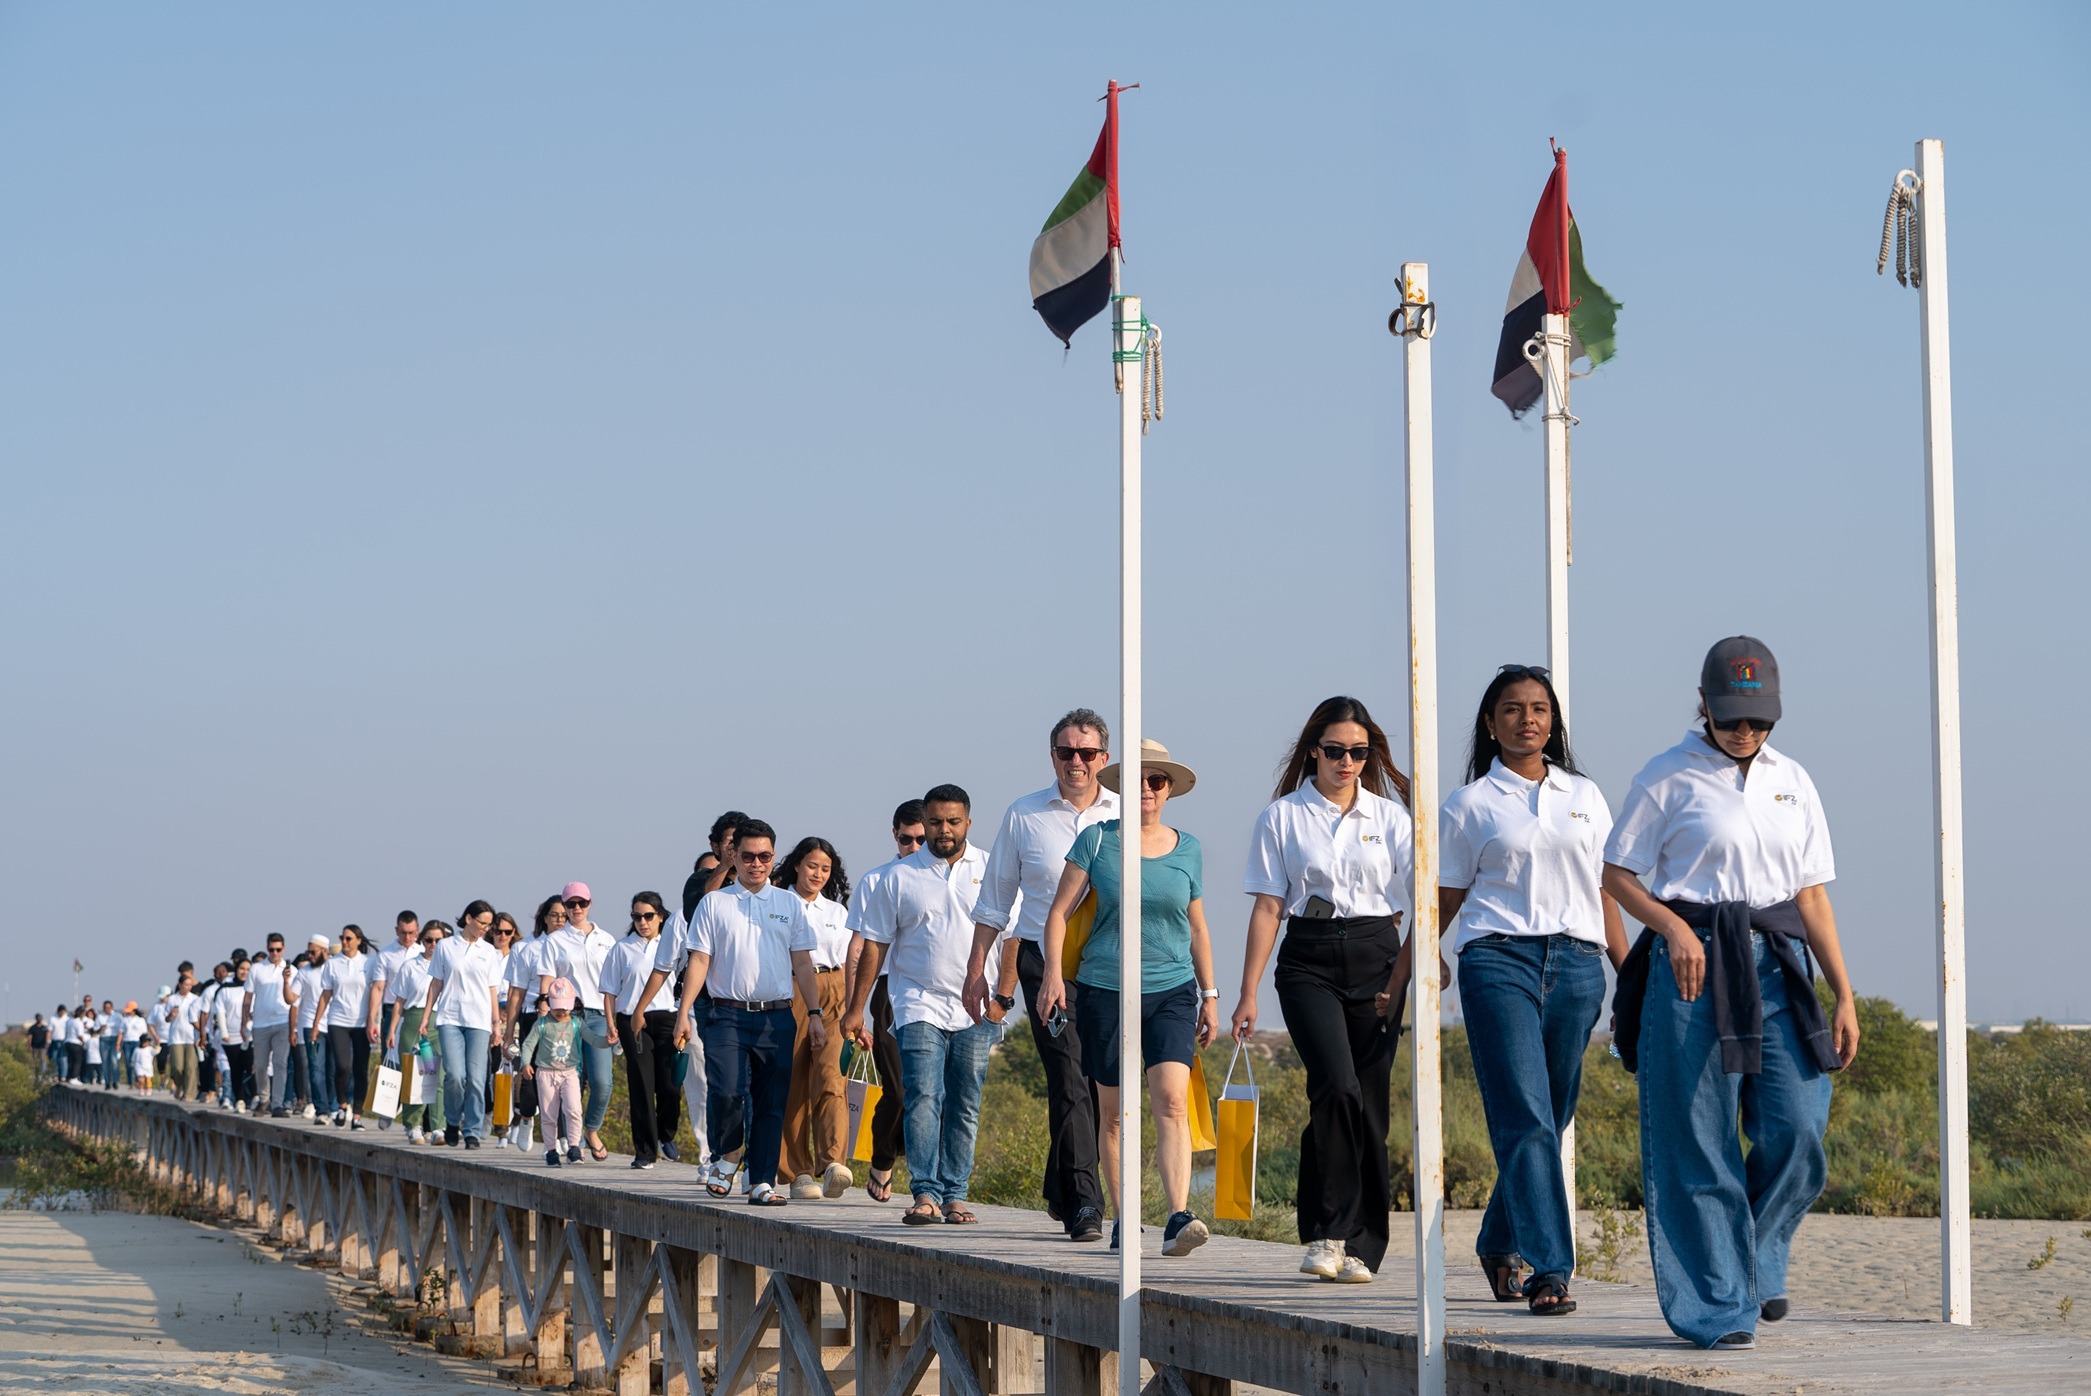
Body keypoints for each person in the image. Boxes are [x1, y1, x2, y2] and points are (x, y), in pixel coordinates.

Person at [1601, 637, 1861, 1351]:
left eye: (1757, 720)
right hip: (1690, 968)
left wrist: (1842, 991)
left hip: (1778, 966)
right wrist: (1670, 928)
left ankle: (1755, 1256)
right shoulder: (1666, 776)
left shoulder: (1792, 780)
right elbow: (1616, 875)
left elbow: (1810, 894)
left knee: (1797, 1127)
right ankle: (1718, 1306)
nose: (1744, 732)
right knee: (1695, 1141)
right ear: (1703, 705)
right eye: (1729, 718)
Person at [1391, 665, 1627, 1314]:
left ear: (1552, 722)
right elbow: (1441, 897)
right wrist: (1421, 960)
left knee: (1548, 1118)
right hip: (1499, 963)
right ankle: (1549, 1269)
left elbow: (1605, 888)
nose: (1527, 719)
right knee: (1524, 1116)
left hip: (1578, 967)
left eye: (1539, 709)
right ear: (1490, 724)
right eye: (1512, 709)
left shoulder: (1584, 794)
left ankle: (1497, 1240)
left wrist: (1627, 966)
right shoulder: (1468, 805)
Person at [1233, 695, 1414, 1285]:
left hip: (1377, 956)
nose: (1346, 762)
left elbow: (1426, 898)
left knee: (1370, 1103)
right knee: (1335, 1087)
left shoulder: (1390, 819)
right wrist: (1248, 993)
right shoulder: (1282, 817)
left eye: (1358, 753)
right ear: (1315, 749)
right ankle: (1326, 1233)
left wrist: (1415, 964)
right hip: (1307, 958)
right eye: (1335, 750)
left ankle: (1365, 1242)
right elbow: (1267, 907)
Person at [1037, 739, 1221, 1257]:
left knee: (1171, 1102)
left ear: (1168, 790)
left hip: (1173, 989)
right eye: (1137, 777)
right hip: (1105, 989)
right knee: (1114, 1114)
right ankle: (1125, 1218)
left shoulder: (1189, 848)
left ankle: (1177, 1215)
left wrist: (1210, 994)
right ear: (1119, 783)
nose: (1146, 788)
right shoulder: (1097, 840)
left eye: (1156, 780)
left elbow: (1198, 925)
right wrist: (1053, 975)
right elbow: (1058, 914)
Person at [964, 710, 1117, 1242]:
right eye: (1065, 751)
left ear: (1104, 757)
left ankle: (1059, 1183)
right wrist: (977, 972)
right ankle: (1084, 1204)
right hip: (1044, 963)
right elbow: (995, 901)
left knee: (1105, 1083)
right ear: (1051, 754)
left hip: (1111, 963)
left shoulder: (1125, 811)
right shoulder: (1025, 814)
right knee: (1070, 1075)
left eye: (1087, 752)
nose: (1076, 762)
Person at [844, 785, 1001, 1227]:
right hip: (916, 1001)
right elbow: (874, 946)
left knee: (965, 1100)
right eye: (935, 822)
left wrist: (1003, 996)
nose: (944, 830)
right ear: (925, 823)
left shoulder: (991, 870)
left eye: (953, 822)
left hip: (975, 1005)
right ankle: (926, 1193)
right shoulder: (899, 877)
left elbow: (1012, 937)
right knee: (923, 1094)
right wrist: (855, 1008)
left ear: (968, 822)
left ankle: (955, 1194)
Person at [672, 818, 827, 1206]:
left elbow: (803, 965)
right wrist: (683, 1012)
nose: (756, 863)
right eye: (748, 856)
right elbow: (699, 960)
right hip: (726, 1015)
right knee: (727, 1092)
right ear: (733, 857)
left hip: (776, 1016)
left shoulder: (789, 904)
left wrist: (815, 1013)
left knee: (772, 1102)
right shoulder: (715, 902)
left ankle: (761, 1180)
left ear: (774, 858)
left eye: (764, 856)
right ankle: (728, 1155)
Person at [844, 800, 927, 1202]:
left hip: (939, 991)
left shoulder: (951, 875)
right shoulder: (877, 880)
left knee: (936, 1092)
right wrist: (853, 1010)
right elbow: (857, 948)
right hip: (889, 991)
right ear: (894, 835)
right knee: (898, 1088)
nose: (915, 846)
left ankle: (932, 1181)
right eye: (907, 839)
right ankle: (882, 1159)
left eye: (922, 839)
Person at [774, 837, 854, 1199]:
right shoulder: (777, 902)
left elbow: (850, 961)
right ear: (796, 865)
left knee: (831, 1074)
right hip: (790, 988)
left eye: (825, 868)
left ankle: (834, 1162)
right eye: (811, 866)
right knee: (793, 1081)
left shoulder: (837, 912)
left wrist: (856, 1010)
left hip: (833, 988)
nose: (818, 874)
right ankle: (797, 1173)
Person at [602, 892, 680, 1170]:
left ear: (660, 916)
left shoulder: (673, 945)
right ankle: (645, 1151)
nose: (643, 922)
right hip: (632, 1021)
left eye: (648, 916)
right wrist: (611, 1024)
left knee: (670, 1086)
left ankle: (666, 1134)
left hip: (668, 1017)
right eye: (637, 916)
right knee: (641, 1086)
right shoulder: (622, 948)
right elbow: (610, 991)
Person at [423, 901, 507, 1148]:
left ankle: (471, 1129)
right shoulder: (446, 947)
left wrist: (496, 1025)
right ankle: (452, 1121)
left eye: (488, 924)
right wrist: (427, 1015)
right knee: (455, 1076)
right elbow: (436, 984)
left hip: (479, 1021)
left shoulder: (489, 951)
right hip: (450, 1018)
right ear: (468, 919)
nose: (485, 928)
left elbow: (493, 990)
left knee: (477, 1079)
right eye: (482, 923)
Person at [543, 883, 618, 1161]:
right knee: (569, 1082)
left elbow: (613, 984)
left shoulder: (606, 939)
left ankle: (592, 1129)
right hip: (566, 1017)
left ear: (589, 904)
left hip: (599, 1016)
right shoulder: (555, 940)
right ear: (564, 906)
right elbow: (547, 981)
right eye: (571, 904)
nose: (576, 909)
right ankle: (569, 1140)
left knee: (602, 1081)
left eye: (581, 903)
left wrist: (614, 1021)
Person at [502, 896, 566, 1156]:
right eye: (554, 915)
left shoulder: (571, 946)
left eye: (564, 915)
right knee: (531, 1073)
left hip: (564, 1019)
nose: (560, 920)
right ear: (545, 917)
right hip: (532, 1017)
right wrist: (508, 1033)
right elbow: (515, 993)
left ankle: (560, 1134)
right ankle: (527, 1116)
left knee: (563, 1077)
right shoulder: (525, 948)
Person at [387, 922, 448, 1144]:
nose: (433, 944)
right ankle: (413, 1124)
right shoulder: (410, 966)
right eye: (428, 940)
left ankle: (438, 1126)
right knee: (416, 1075)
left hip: (438, 1022)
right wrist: (392, 1030)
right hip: (414, 1021)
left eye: (438, 940)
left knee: (438, 1076)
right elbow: (399, 1002)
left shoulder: (447, 965)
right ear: (422, 941)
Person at [312, 925, 373, 1127]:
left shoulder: (369, 963)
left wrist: (375, 1021)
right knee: (343, 1066)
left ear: (358, 941)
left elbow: (378, 992)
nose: (344, 942)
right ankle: (341, 1105)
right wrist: (315, 1025)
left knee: (360, 1069)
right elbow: (325, 995)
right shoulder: (332, 964)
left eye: (348, 938)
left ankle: (357, 1115)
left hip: (362, 1022)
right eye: (342, 938)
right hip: (338, 1020)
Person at [522, 978, 587, 1166]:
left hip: (570, 1072)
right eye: (557, 1007)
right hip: (546, 1073)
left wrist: (609, 1040)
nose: (562, 1012)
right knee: (549, 1114)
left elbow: (593, 1039)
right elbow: (528, 1045)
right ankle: (551, 1150)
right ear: (549, 1003)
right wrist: (526, 1063)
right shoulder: (542, 1024)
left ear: (572, 1004)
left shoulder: (576, 1023)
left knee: (574, 1109)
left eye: (565, 1007)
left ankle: (574, 1147)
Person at [366, 911, 422, 1104]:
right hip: (393, 1010)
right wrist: (372, 1019)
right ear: (396, 930)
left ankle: (413, 1105)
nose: (407, 937)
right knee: (391, 1056)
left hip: (418, 1010)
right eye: (403, 933)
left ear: (418, 931)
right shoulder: (386, 955)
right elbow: (378, 987)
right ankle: (387, 1103)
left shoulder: (423, 952)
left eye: (411, 933)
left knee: (419, 1060)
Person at [244, 934, 301, 1117]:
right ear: (267, 949)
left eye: (278, 949)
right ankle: (264, 1098)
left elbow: (295, 1000)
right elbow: (248, 997)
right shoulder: (257, 968)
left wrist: (294, 1026)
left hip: (283, 1022)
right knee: (260, 1065)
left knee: (280, 1063)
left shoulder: (291, 970)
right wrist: (244, 1020)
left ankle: (277, 1104)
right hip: (260, 1023)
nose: (275, 953)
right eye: (271, 949)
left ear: (283, 949)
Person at [683, 811, 748, 921]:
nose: (737, 848)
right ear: (716, 847)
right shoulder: (699, 879)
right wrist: (725, 865)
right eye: (732, 842)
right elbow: (695, 914)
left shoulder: (761, 881)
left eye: (741, 842)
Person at [296, 935, 334, 1120]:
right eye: (308, 952)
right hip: (312, 1027)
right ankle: (322, 1110)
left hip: (335, 1025)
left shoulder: (334, 967)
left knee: (335, 1069)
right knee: (315, 1068)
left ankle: (337, 1107)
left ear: (324, 951)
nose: (309, 955)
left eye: (313, 952)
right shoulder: (304, 972)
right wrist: (286, 982)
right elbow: (291, 999)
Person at [162, 974, 202, 1100]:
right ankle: (179, 1085)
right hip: (176, 1038)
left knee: (190, 1067)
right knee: (177, 1068)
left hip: (191, 1038)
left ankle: (189, 1094)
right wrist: (171, 1015)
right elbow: (166, 1019)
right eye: (186, 984)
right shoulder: (172, 999)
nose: (188, 987)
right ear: (180, 985)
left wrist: (201, 1036)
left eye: (190, 985)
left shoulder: (195, 999)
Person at [99, 1001, 122, 1088]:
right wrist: (101, 1028)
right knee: (105, 1062)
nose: (107, 1010)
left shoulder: (117, 1016)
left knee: (113, 1061)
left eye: (108, 1008)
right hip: (104, 1039)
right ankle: (107, 1082)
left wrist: (119, 1043)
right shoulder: (100, 1016)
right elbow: (96, 1030)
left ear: (112, 1007)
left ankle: (115, 1081)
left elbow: (121, 1029)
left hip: (114, 1039)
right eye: (105, 1008)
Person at [27, 1015, 49, 1085]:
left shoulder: (44, 1028)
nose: (39, 1019)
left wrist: (47, 1043)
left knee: (43, 1061)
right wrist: (29, 1045)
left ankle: (44, 1076)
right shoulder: (32, 1028)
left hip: (42, 1047)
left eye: (40, 1018)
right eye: (38, 1018)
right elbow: (30, 1037)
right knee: (35, 1061)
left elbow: (47, 1035)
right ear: (36, 1019)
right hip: (35, 1047)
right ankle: (36, 1075)